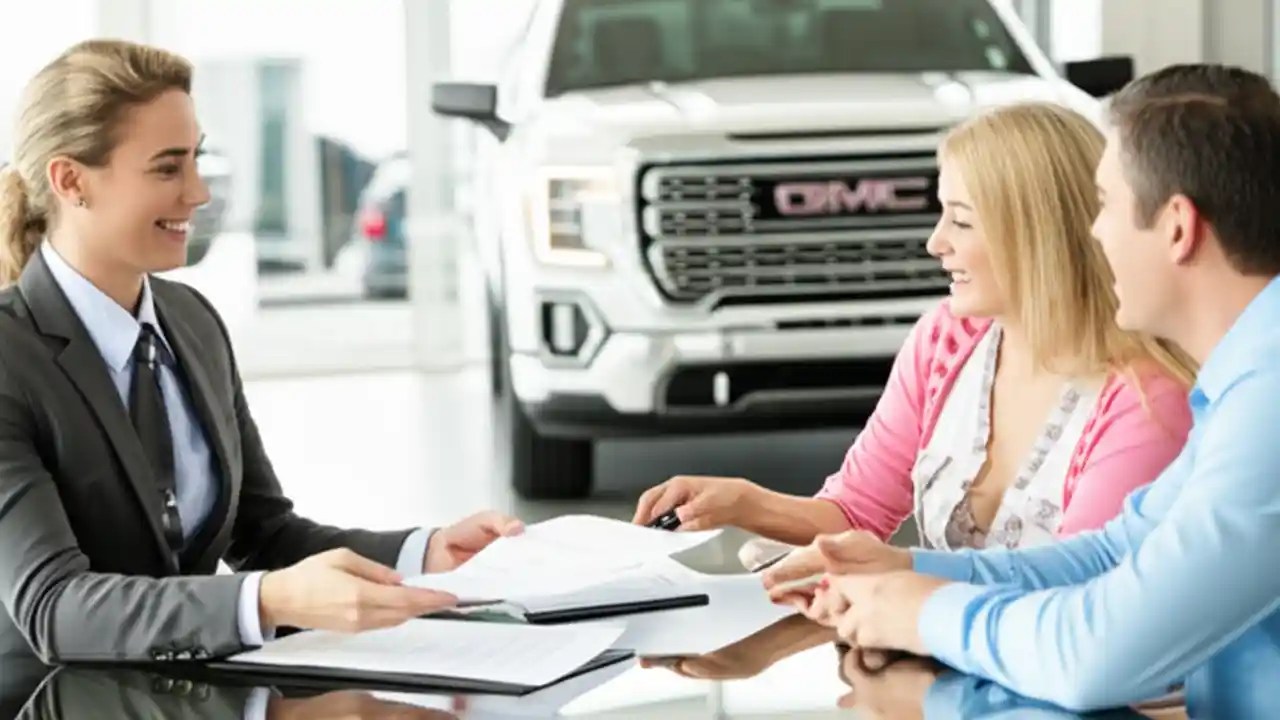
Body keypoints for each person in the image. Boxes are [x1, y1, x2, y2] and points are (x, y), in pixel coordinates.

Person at [763, 64, 1280, 718]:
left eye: (1106, 207)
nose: (1091, 235)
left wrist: (922, 615)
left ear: (1178, 227)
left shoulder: (1268, 402)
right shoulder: (1248, 381)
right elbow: (1118, 550)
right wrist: (905, 573)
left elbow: (1096, 654)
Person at [0, 39, 522, 664]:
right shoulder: (10, 356)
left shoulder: (191, 322)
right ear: (70, 181)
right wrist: (267, 602)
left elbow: (265, 535)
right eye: (167, 168)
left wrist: (426, 551)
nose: (198, 192)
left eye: (197, 160)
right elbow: (54, 609)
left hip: (189, 691)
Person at [634, 102, 1194, 554]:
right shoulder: (946, 341)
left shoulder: (1147, 400)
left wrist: (894, 582)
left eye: (962, 220)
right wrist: (741, 503)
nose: (935, 243)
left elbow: (1077, 595)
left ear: (1037, 235)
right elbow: (856, 512)